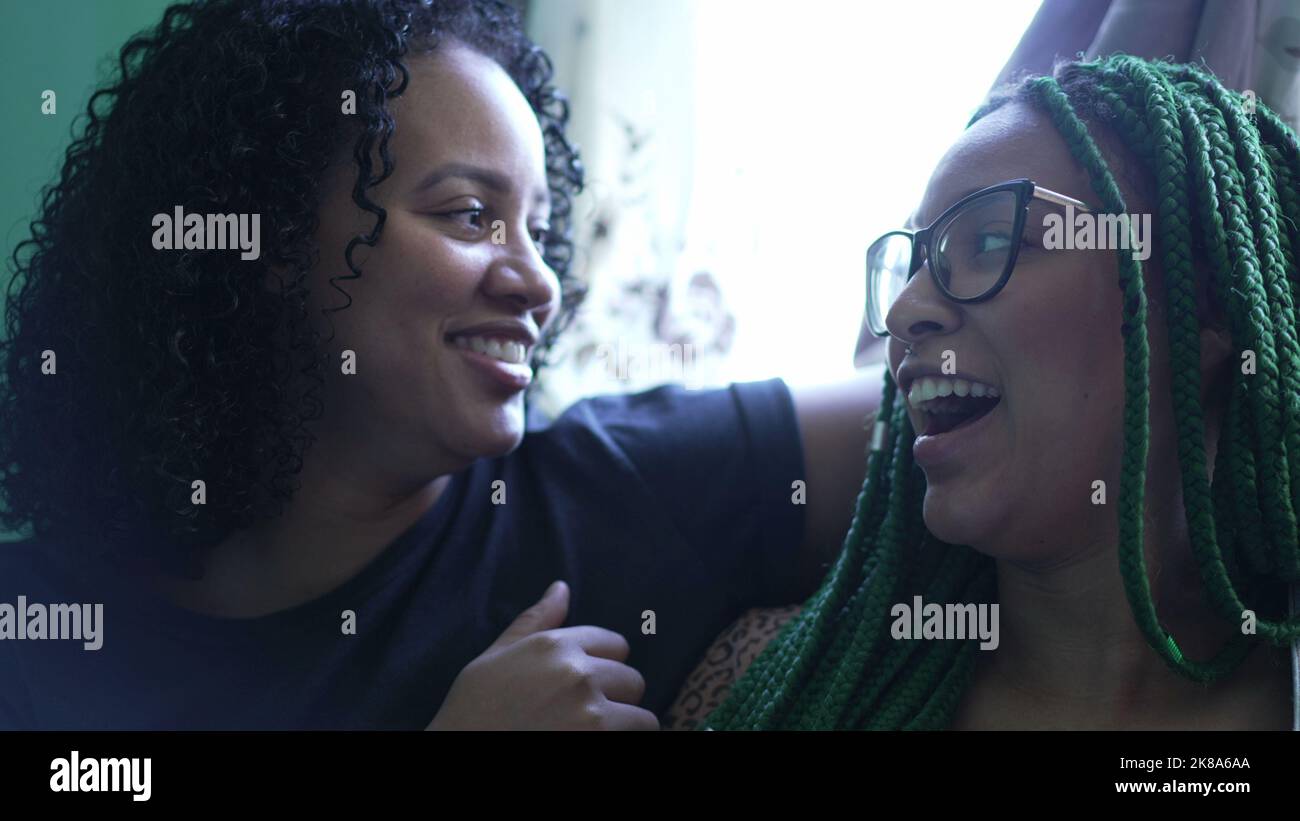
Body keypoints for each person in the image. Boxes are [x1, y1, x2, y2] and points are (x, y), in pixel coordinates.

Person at [0, 0, 877, 730]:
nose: (538, 279)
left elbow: (944, 412)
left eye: (539, 226)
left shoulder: (621, 489)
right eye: (468, 215)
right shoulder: (34, 634)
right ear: (269, 236)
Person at [675, 55, 1300, 731]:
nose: (904, 311)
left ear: (1204, 307)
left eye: (995, 239)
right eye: (913, 262)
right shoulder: (779, 686)